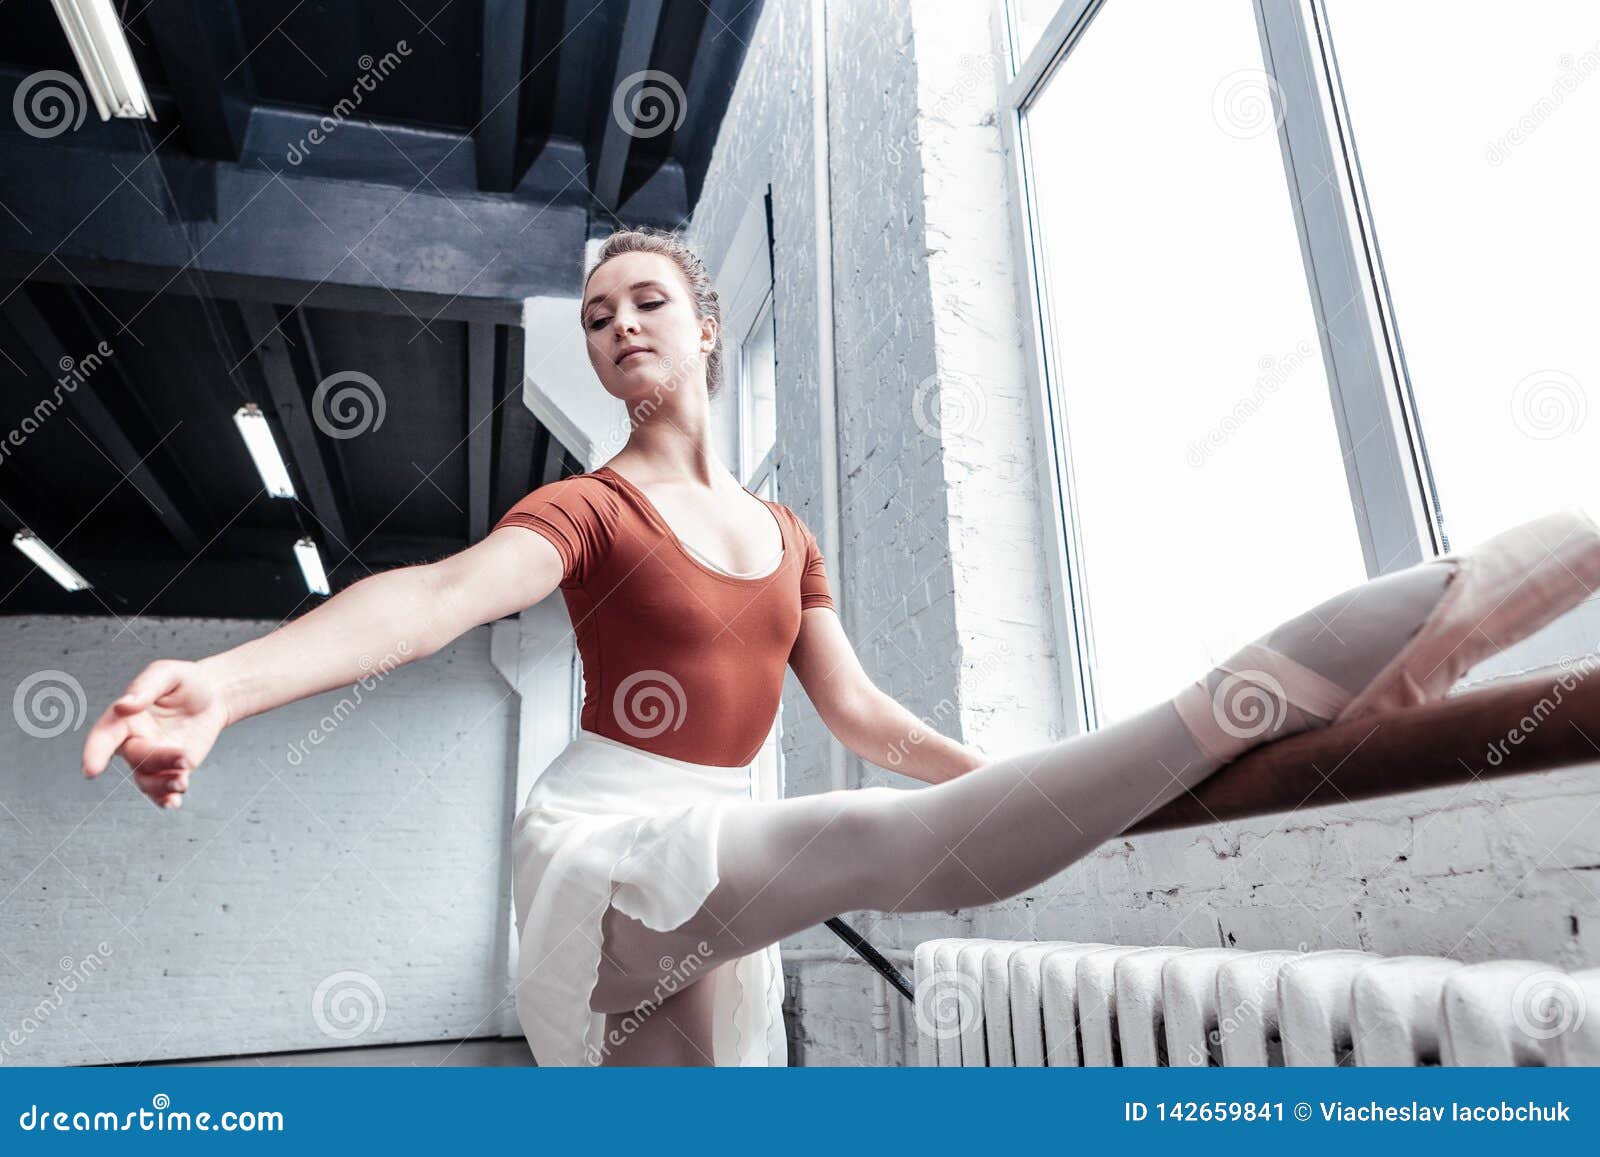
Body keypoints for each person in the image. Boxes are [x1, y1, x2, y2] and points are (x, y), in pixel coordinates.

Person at [80, 227, 1600, 1067]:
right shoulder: (585, 505)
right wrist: (227, 680)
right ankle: (1364, 639)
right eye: (597, 316)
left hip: (726, 847)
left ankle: (1378, 632)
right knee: (908, 848)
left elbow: (863, 712)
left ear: (706, 326)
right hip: (611, 845)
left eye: (646, 302)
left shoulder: (789, 530)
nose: (618, 329)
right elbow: (432, 597)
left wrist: (1007, 778)